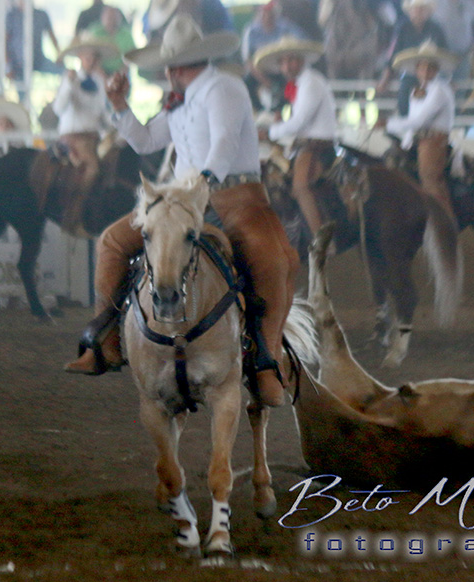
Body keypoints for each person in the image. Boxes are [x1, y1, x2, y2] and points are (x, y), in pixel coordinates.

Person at [64, 15, 299, 409]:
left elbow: (223, 143)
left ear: (176, 66)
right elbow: (144, 141)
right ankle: (104, 342)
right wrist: (119, 106)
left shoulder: (224, 87)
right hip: (181, 195)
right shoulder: (179, 99)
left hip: (234, 194)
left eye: (166, 66)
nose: (164, 72)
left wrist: (202, 182)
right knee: (113, 241)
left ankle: (265, 363)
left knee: (272, 261)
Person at [255, 36, 336, 240]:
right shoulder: (303, 84)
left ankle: (321, 241)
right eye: (283, 62)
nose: (287, 65)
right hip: (303, 146)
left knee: (300, 187)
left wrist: (270, 133)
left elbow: (299, 122)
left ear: (301, 61)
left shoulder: (311, 83)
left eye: (291, 60)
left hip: (315, 147)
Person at [385, 40, 457, 218]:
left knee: (429, 178)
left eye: (430, 68)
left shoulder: (440, 90)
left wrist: (387, 124)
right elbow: (412, 121)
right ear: (417, 70)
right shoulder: (416, 92)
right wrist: (406, 142)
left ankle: (445, 222)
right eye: (422, 68)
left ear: (436, 70)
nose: (425, 72)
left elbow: (418, 121)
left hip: (434, 141)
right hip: (419, 140)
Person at [52, 33, 117, 193]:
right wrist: (68, 84)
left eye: (94, 57)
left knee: (115, 158)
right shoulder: (69, 79)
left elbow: (104, 114)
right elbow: (58, 108)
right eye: (88, 57)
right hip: (74, 138)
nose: (91, 61)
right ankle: (77, 205)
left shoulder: (100, 82)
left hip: (94, 138)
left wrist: (117, 123)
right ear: (80, 57)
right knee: (92, 169)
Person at [376, 0, 447, 116]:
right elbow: (393, 54)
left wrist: (446, 78)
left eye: (421, 9)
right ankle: (407, 122)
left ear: (428, 12)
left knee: (435, 99)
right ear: (410, 12)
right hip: (410, 74)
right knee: (404, 97)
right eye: (415, 9)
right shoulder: (403, 28)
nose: (418, 12)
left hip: (432, 76)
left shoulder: (436, 29)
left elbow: (444, 54)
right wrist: (385, 78)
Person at [241, 1, 306, 111]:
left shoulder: (286, 27)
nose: (267, 16)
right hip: (259, 72)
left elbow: (301, 42)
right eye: (264, 13)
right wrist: (264, 81)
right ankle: (258, 111)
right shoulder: (251, 31)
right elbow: (247, 60)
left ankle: (288, 108)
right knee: (246, 84)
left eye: (270, 13)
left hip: (281, 70)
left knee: (293, 83)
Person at [430, 0, 474, 80]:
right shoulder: (435, 3)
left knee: (460, 85)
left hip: (463, 54)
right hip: (440, 54)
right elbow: (427, 23)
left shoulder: (470, 3)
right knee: (439, 86)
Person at [5, 0, 64, 81]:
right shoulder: (12, 15)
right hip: (18, 64)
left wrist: (59, 55)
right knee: (23, 89)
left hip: (39, 60)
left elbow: (52, 37)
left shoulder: (41, 15)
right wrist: (8, 66)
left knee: (64, 72)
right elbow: (5, 42)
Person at [87, 6, 136, 75]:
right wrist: (103, 76)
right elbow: (90, 55)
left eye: (114, 17)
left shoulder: (127, 34)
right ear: (102, 18)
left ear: (120, 19)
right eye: (109, 17)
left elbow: (132, 55)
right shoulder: (95, 32)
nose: (112, 21)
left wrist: (119, 75)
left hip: (121, 72)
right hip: (98, 72)